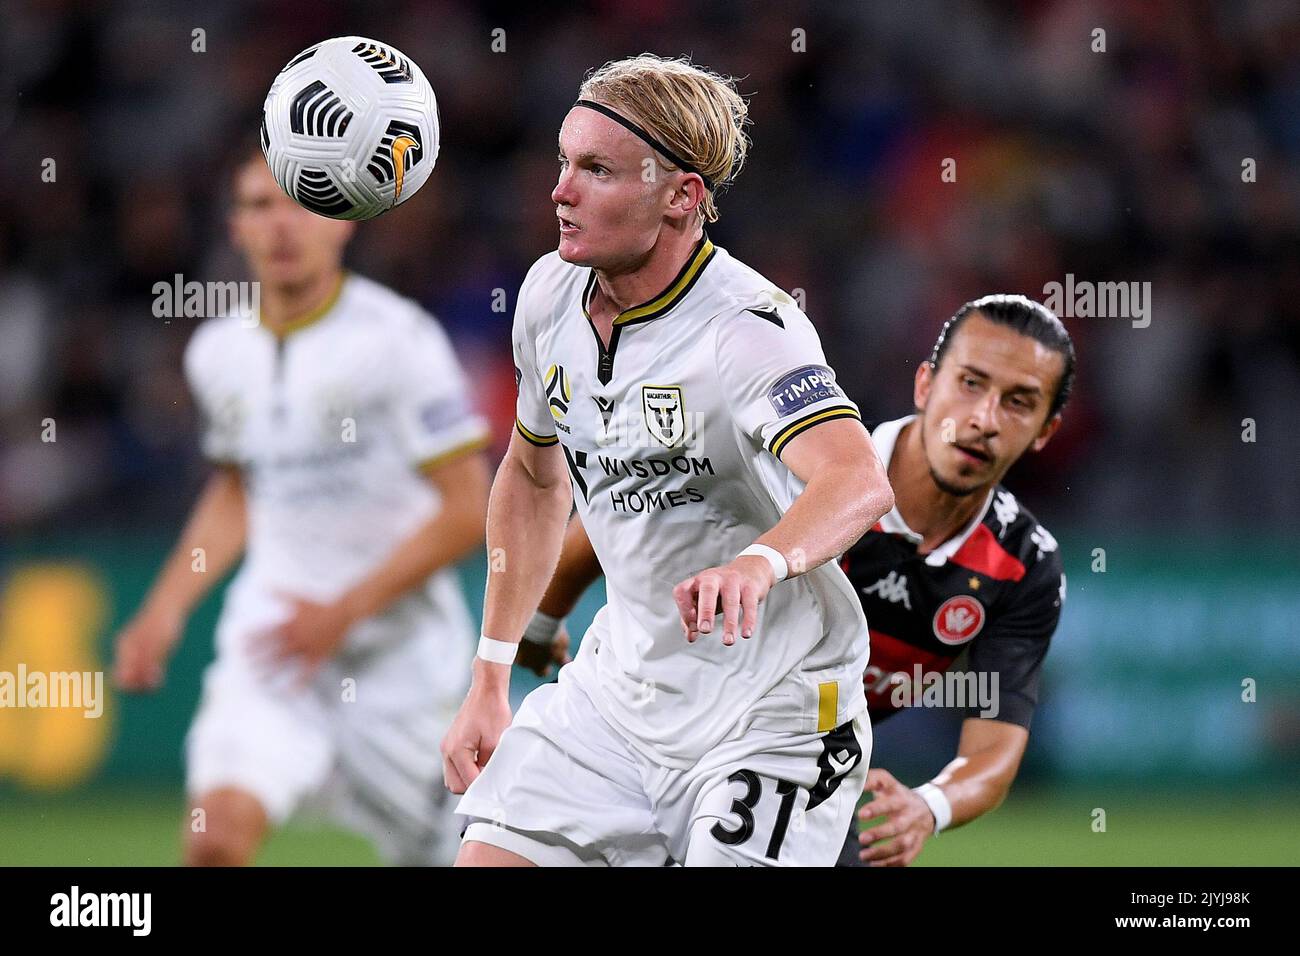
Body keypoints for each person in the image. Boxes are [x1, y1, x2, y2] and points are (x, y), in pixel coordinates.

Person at [441, 54, 894, 867]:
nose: (560, 191)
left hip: (774, 712)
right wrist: (492, 672)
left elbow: (856, 478)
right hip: (623, 696)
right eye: (563, 162)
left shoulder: (748, 329)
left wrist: (758, 565)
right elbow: (534, 476)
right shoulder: (547, 297)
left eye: (596, 170)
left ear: (681, 196)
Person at [526, 294, 1074, 867]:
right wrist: (538, 623)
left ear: (1045, 430)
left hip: (797, 761)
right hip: (665, 727)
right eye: (969, 383)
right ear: (924, 385)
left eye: (1018, 402)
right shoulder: (813, 452)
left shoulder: (1022, 566)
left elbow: (994, 750)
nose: (983, 419)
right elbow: (630, 504)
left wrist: (928, 805)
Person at [112, 149, 491, 866]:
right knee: (214, 843)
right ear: (235, 226)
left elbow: (469, 508)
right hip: (275, 649)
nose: (281, 224)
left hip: (396, 664)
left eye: (303, 203)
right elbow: (237, 489)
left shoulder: (399, 341)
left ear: (343, 224)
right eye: (260, 205)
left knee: (452, 856)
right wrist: (164, 609)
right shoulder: (218, 352)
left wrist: (342, 612)